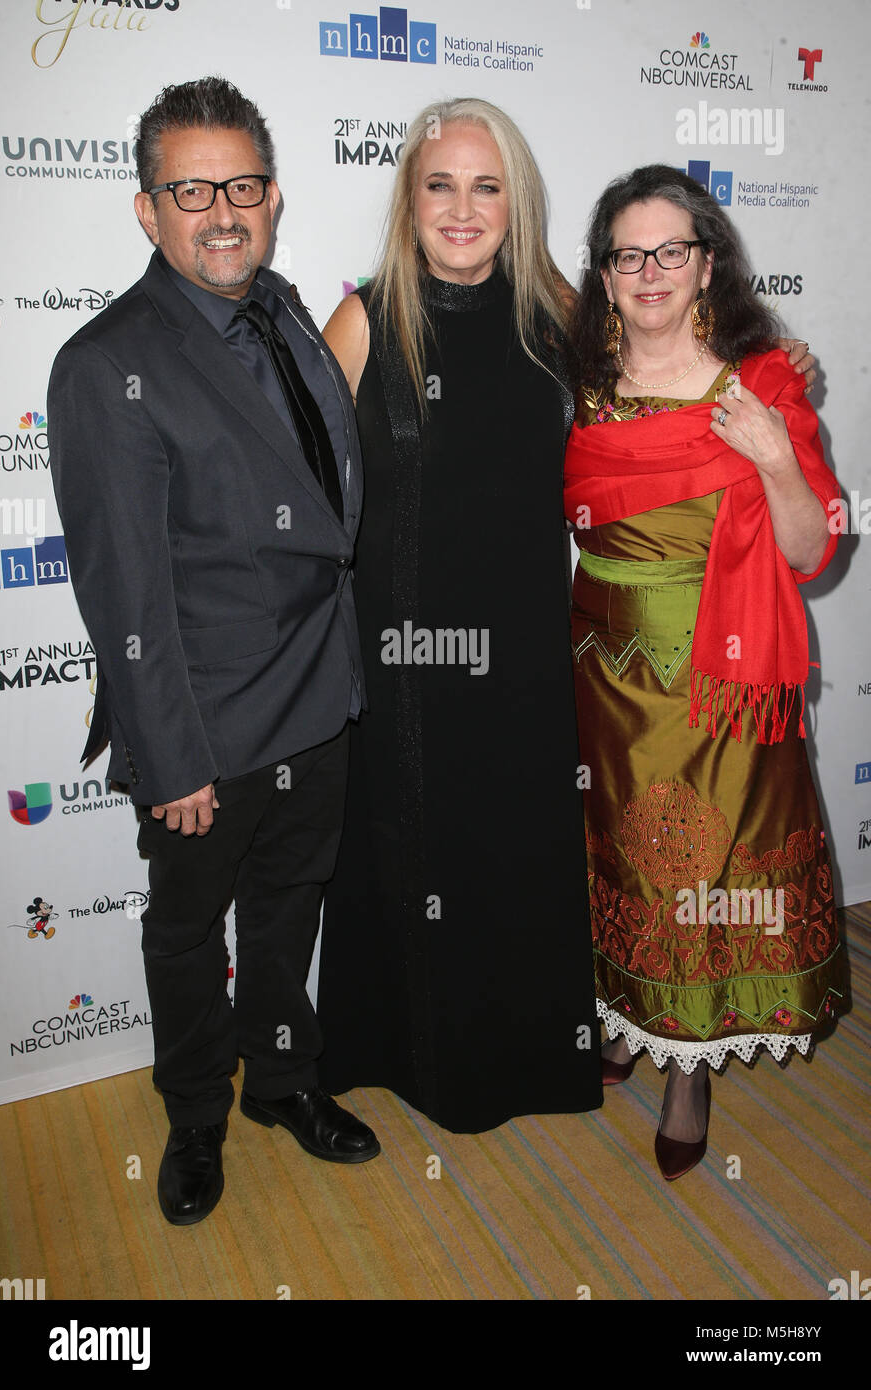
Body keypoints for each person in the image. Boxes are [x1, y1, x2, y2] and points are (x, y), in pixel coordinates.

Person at [47, 77, 379, 1227]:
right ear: (148, 209)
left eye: (241, 185)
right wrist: (170, 757)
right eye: (191, 191)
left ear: (272, 196)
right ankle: (195, 1113)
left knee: (289, 904)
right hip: (204, 718)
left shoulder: (284, 309)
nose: (221, 211)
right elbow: (123, 586)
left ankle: (281, 1079)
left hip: (316, 691)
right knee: (188, 930)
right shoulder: (108, 362)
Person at [314, 99, 604, 1132]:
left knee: (512, 846)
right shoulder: (362, 321)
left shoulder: (557, 316)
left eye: (487, 186)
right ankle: (407, 1056)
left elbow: (660, 398)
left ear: (515, 203)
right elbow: (301, 489)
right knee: (410, 849)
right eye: (440, 184)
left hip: (521, 650)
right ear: (409, 198)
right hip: (401, 652)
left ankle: (529, 1050)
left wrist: (766, 369)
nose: (463, 208)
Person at [563, 164, 848, 1180]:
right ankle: (619, 1015)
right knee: (614, 859)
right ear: (603, 274)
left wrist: (773, 455)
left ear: (706, 264)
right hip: (600, 674)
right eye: (627, 254)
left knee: (704, 872)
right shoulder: (573, 384)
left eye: (670, 251)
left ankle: (688, 1073)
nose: (650, 271)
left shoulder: (759, 386)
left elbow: (812, 549)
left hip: (722, 683)